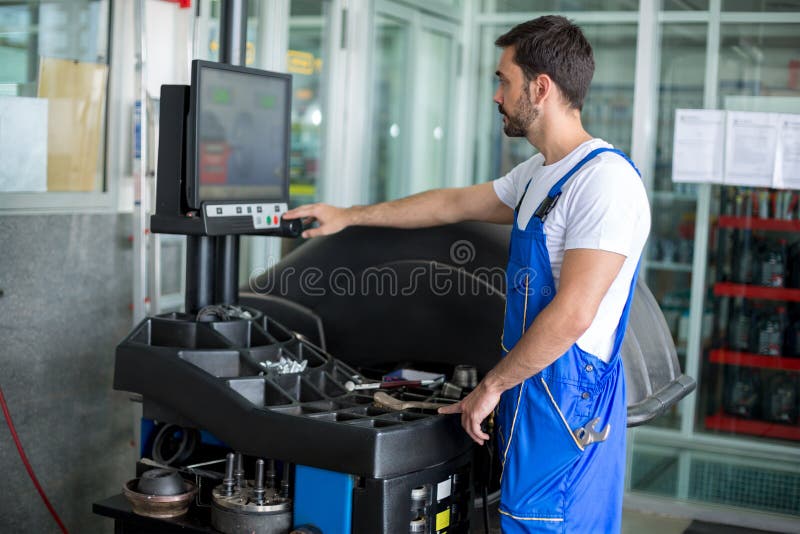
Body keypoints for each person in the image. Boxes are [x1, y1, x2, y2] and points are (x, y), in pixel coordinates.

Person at [284, 15, 650, 533]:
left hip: (567, 402)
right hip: (534, 389)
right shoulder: (542, 173)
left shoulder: (604, 183)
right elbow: (451, 204)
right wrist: (348, 215)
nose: (497, 95)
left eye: (504, 80)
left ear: (540, 87)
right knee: (520, 517)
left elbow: (572, 314)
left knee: (550, 522)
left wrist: (490, 388)